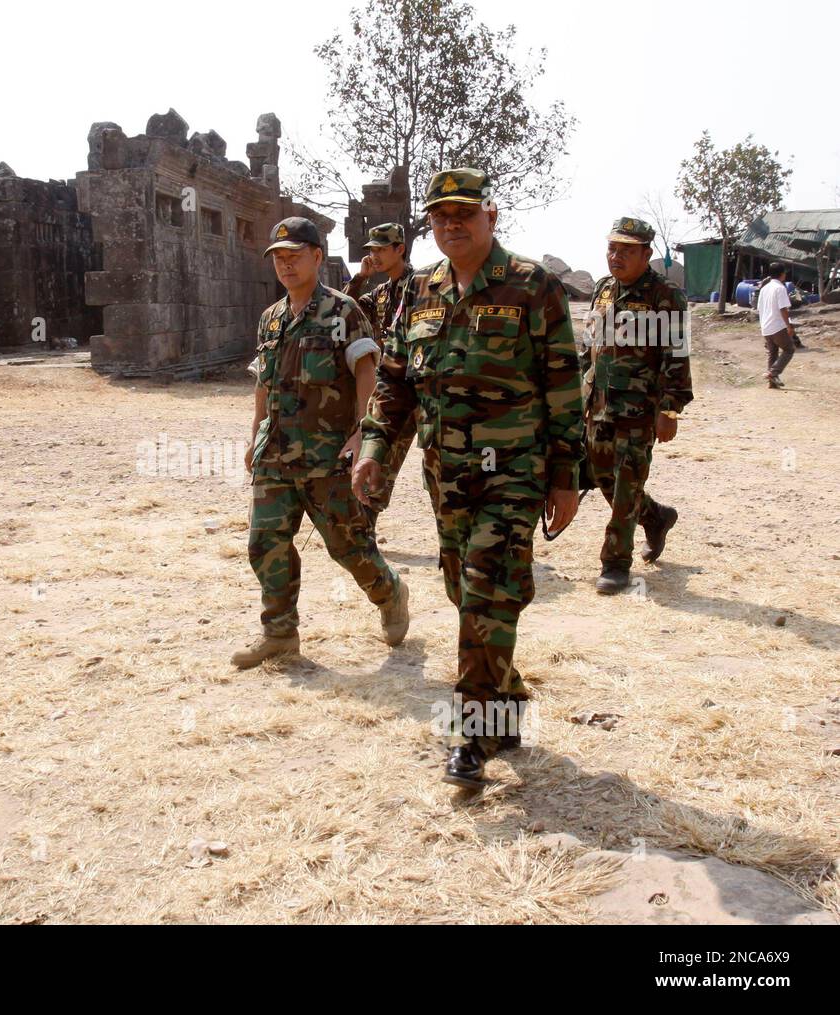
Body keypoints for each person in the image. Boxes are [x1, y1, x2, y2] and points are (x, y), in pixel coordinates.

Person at [352, 169, 583, 788]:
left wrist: (566, 478)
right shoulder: (421, 291)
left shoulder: (534, 287)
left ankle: (471, 732)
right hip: (445, 474)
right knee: (466, 590)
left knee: (484, 589)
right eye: (440, 215)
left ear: (491, 217)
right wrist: (374, 444)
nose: (451, 224)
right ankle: (504, 699)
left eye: (464, 213)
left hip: (513, 472)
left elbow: (564, 388)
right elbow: (396, 378)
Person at [233, 217, 409, 669]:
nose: (286, 265)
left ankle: (390, 593)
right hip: (276, 452)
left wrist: (362, 432)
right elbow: (262, 385)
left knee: (348, 547)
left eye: (295, 256)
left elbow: (366, 371)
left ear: (316, 256)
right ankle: (279, 634)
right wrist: (255, 434)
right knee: (264, 541)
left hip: (328, 454)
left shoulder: (344, 311)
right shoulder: (270, 318)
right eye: (279, 258)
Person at [581, 217, 693, 593]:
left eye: (626, 251)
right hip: (598, 405)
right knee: (602, 478)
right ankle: (657, 517)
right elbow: (589, 350)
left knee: (627, 483)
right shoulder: (602, 290)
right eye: (612, 248)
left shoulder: (665, 295)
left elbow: (678, 355)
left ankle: (615, 563)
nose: (616, 256)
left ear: (646, 254)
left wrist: (670, 409)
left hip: (640, 409)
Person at [343, 223, 417, 536]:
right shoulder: (383, 292)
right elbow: (347, 310)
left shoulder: (424, 286)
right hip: (395, 390)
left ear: (400, 249)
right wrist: (360, 278)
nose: (374, 255)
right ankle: (364, 526)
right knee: (381, 452)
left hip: (424, 386)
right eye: (371, 250)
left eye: (380, 249)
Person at [759, 262, 795, 389]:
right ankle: (773, 373)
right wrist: (789, 326)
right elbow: (783, 309)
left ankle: (772, 383)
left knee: (772, 353)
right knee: (789, 349)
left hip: (766, 326)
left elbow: (760, 308)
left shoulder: (764, 288)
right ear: (782, 274)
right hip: (777, 326)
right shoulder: (780, 288)